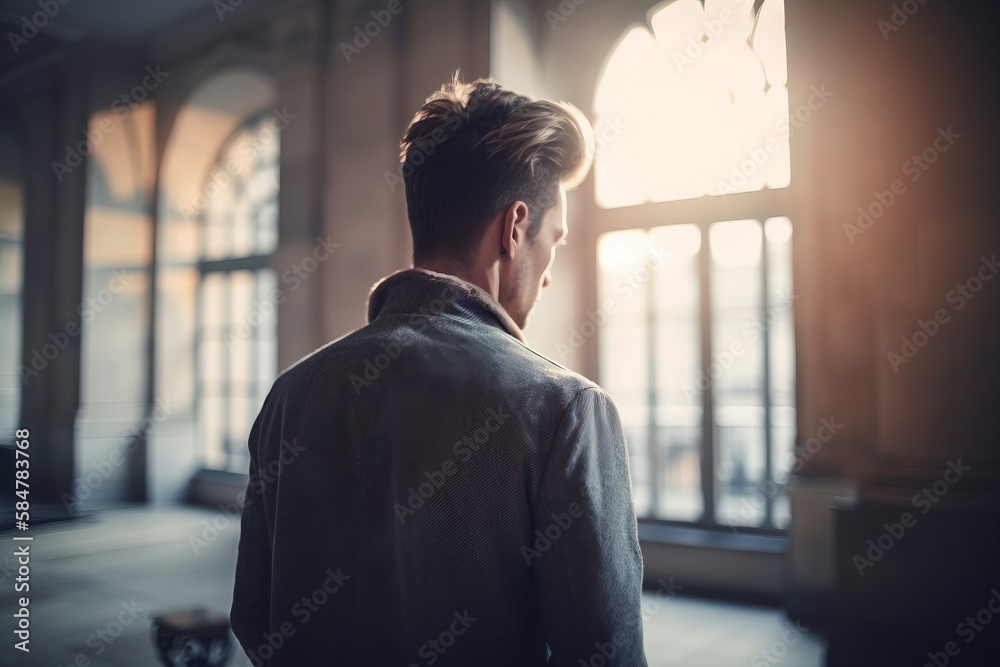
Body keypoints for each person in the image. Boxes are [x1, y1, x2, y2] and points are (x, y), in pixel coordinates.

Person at [231, 75, 647, 667]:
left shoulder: (292, 394)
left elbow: (254, 617)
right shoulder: (563, 409)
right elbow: (605, 656)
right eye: (552, 242)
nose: (549, 272)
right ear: (514, 229)